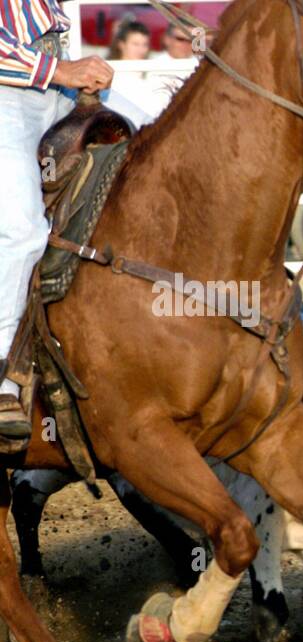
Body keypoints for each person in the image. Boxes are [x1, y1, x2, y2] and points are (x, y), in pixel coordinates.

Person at [0, 0, 114, 438]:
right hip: (13, 93)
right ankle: (5, 382)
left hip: (57, 85)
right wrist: (63, 72)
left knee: (159, 147)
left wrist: (68, 73)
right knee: (22, 230)